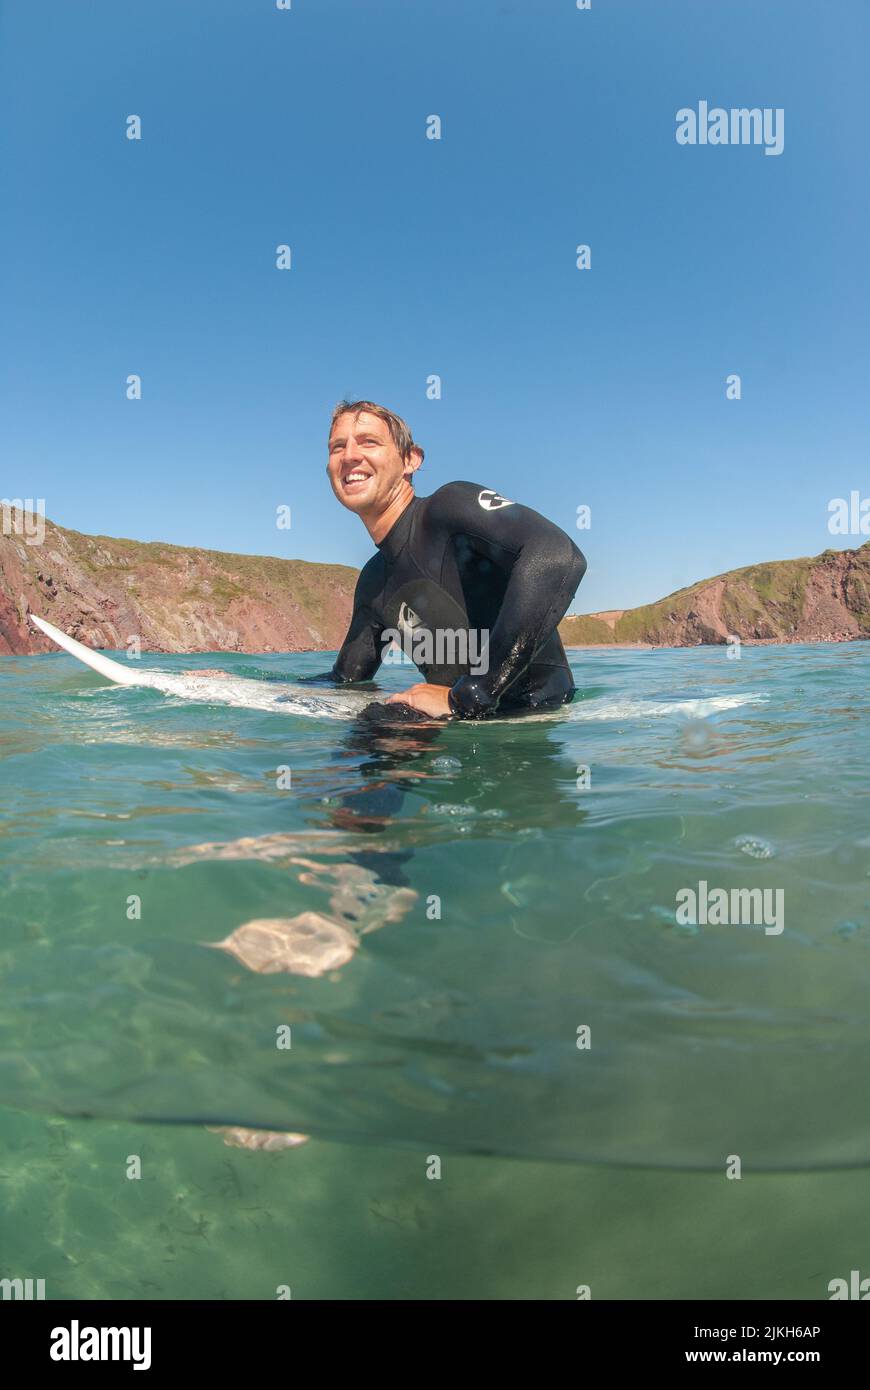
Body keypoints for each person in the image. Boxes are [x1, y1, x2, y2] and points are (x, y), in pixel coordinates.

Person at [311, 400, 587, 719]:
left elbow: (557, 556)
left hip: (536, 721)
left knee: (378, 724)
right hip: (467, 737)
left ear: (410, 459)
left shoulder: (449, 508)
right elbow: (344, 681)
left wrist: (472, 695)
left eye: (368, 441)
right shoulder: (374, 581)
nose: (349, 456)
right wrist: (246, 684)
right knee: (370, 731)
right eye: (337, 447)